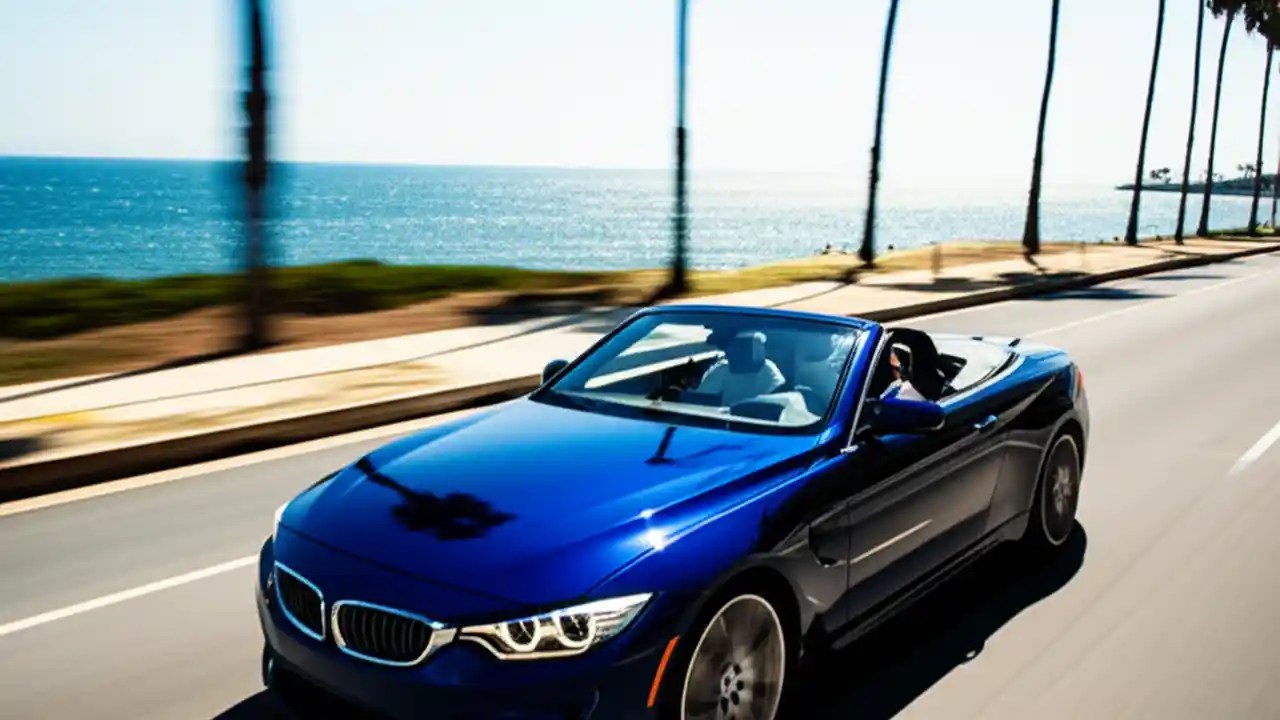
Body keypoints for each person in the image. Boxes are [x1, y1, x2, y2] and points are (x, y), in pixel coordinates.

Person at [698, 331, 785, 405]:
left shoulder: (767, 369)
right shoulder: (721, 369)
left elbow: (778, 396)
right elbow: (702, 399)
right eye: (737, 347)